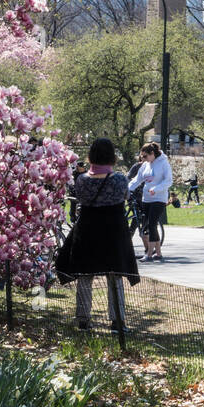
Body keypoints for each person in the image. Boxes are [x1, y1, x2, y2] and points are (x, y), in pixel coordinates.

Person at [65, 138, 139, 330]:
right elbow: (126, 197)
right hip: (113, 232)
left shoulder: (81, 181)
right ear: (112, 157)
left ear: (91, 156)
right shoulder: (120, 179)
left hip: (88, 231)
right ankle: (117, 320)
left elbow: (79, 198)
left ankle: (83, 319)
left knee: (85, 275)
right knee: (115, 276)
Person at [130, 141, 173, 261]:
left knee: (152, 224)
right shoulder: (145, 165)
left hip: (159, 198)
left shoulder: (164, 163)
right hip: (146, 199)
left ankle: (149, 254)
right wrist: (126, 190)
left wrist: (157, 188)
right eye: (141, 156)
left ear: (152, 153)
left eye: (145, 156)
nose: (143, 159)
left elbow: (168, 181)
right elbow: (137, 180)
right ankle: (158, 253)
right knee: (147, 225)